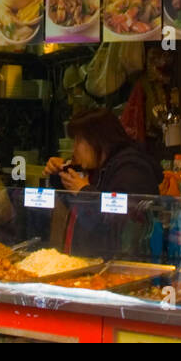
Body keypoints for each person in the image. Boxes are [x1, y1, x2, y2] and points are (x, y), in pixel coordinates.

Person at [41, 108, 162, 258]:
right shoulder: (99, 167)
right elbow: (75, 201)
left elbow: (118, 225)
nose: (74, 150)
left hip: (123, 266)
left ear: (97, 140)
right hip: (98, 263)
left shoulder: (131, 171)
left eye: (78, 141)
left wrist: (84, 192)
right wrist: (59, 173)